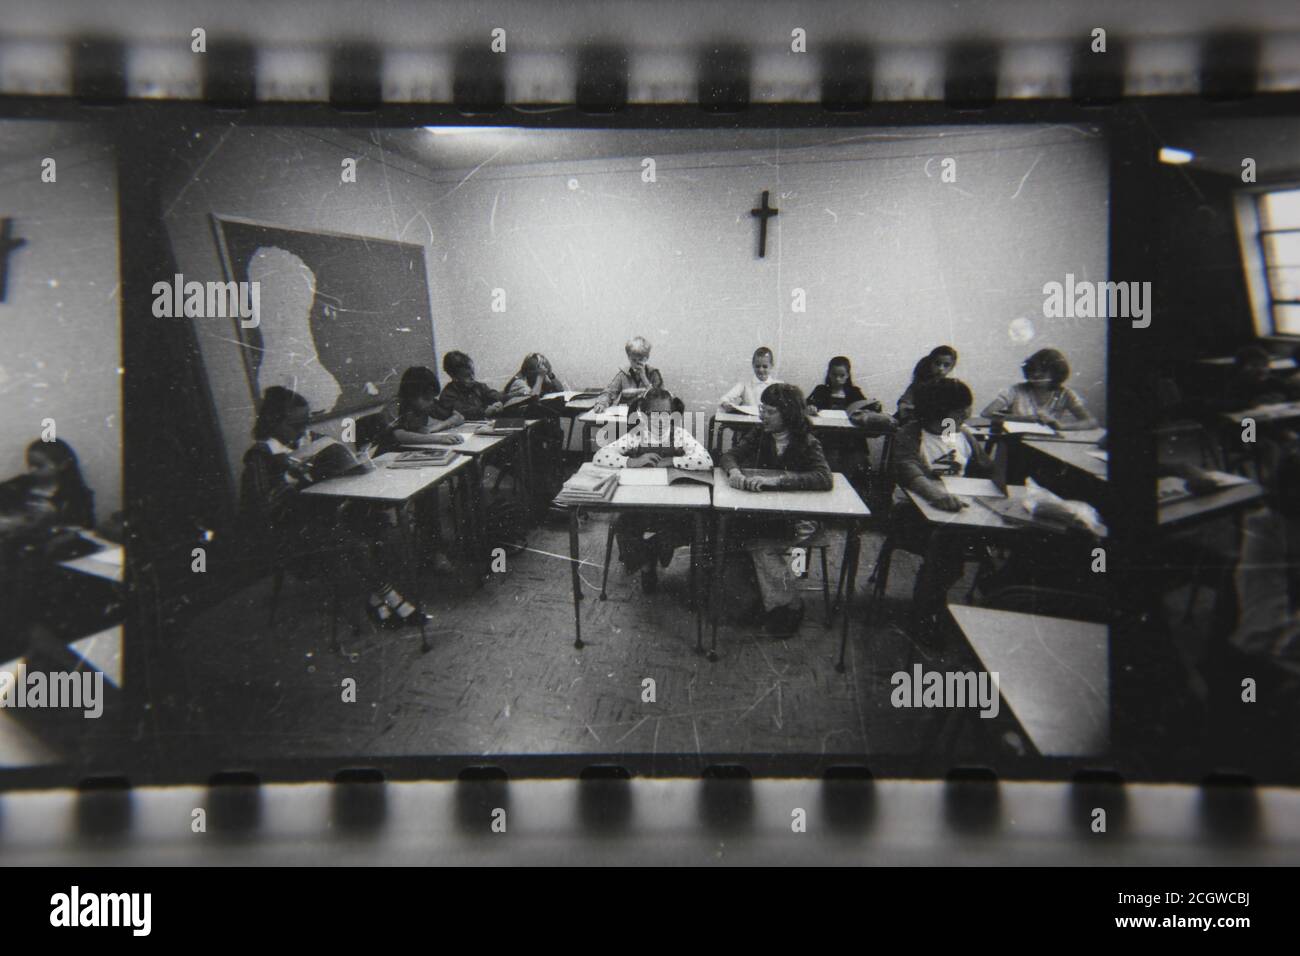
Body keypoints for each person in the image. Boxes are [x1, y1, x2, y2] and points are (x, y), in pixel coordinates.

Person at [240, 386, 430, 629]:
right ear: (273, 422)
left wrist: (345, 464)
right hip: (288, 529)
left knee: (377, 523)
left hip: (320, 514)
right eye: (294, 425)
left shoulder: (306, 440)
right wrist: (291, 481)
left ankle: (376, 598)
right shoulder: (260, 456)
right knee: (351, 540)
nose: (302, 431)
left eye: (305, 423)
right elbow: (258, 510)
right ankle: (391, 597)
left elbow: (330, 470)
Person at [718, 383, 833, 637]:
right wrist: (734, 471)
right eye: (762, 409)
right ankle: (772, 601)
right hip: (766, 515)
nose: (763, 416)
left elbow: (824, 478)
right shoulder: (761, 434)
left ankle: (790, 604)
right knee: (741, 536)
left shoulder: (807, 441)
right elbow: (729, 456)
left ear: (788, 414)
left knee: (758, 543)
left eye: (769, 411)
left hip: (796, 518)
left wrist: (779, 480)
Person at [893, 378, 996, 635]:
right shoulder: (910, 434)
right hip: (912, 514)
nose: (967, 415)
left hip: (957, 514)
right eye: (960, 411)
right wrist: (937, 495)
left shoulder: (963, 435)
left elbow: (986, 470)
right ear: (939, 411)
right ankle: (925, 613)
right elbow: (910, 472)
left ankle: (995, 598)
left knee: (963, 540)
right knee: (947, 545)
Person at [593, 387, 712, 592]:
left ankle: (650, 552)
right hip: (641, 503)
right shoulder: (636, 435)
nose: (660, 420)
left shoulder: (680, 435)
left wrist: (672, 460)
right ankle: (648, 565)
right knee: (624, 524)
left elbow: (706, 460)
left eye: (665, 415)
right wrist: (632, 461)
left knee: (692, 524)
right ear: (643, 415)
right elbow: (600, 456)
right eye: (653, 415)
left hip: (672, 505)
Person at [981, 348, 1099, 431]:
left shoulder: (1066, 394)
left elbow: (1091, 422)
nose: (1033, 379)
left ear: (1056, 375)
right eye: (1030, 374)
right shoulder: (1016, 390)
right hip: (1015, 443)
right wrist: (1023, 419)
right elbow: (986, 413)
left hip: (1049, 444)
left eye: (1040, 376)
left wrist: (1062, 426)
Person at [379, 366, 465, 452]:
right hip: (390, 454)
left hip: (415, 450)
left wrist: (435, 427)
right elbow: (399, 435)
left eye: (432, 398)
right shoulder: (394, 406)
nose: (431, 402)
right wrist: (439, 438)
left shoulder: (427, 404)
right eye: (426, 398)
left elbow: (458, 417)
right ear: (411, 394)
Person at [592, 336, 664, 413]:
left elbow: (661, 398)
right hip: (626, 415)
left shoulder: (654, 374)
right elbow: (609, 392)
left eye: (640, 359)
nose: (637, 363)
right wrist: (602, 403)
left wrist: (645, 379)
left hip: (647, 414)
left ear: (647, 357)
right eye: (633, 360)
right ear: (629, 357)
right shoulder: (623, 374)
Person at [896, 346, 958, 422]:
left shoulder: (951, 388)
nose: (941, 368)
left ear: (952, 367)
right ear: (930, 364)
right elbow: (903, 407)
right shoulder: (917, 386)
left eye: (946, 365)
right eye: (937, 363)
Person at [440, 351, 506, 420]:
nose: (472, 378)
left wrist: (502, 399)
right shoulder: (448, 395)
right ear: (454, 377)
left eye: (472, 373)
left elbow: (493, 394)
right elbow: (465, 412)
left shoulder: (478, 386)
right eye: (467, 376)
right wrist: (485, 411)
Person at [720, 347, 781, 412]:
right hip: (748, 421)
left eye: (765, 366)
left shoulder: (778, 385)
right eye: (757, 366)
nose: (761, 370)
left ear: (772, 366)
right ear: (753, 365)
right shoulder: (744, 384)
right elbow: (724, 398)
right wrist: (726, 404)